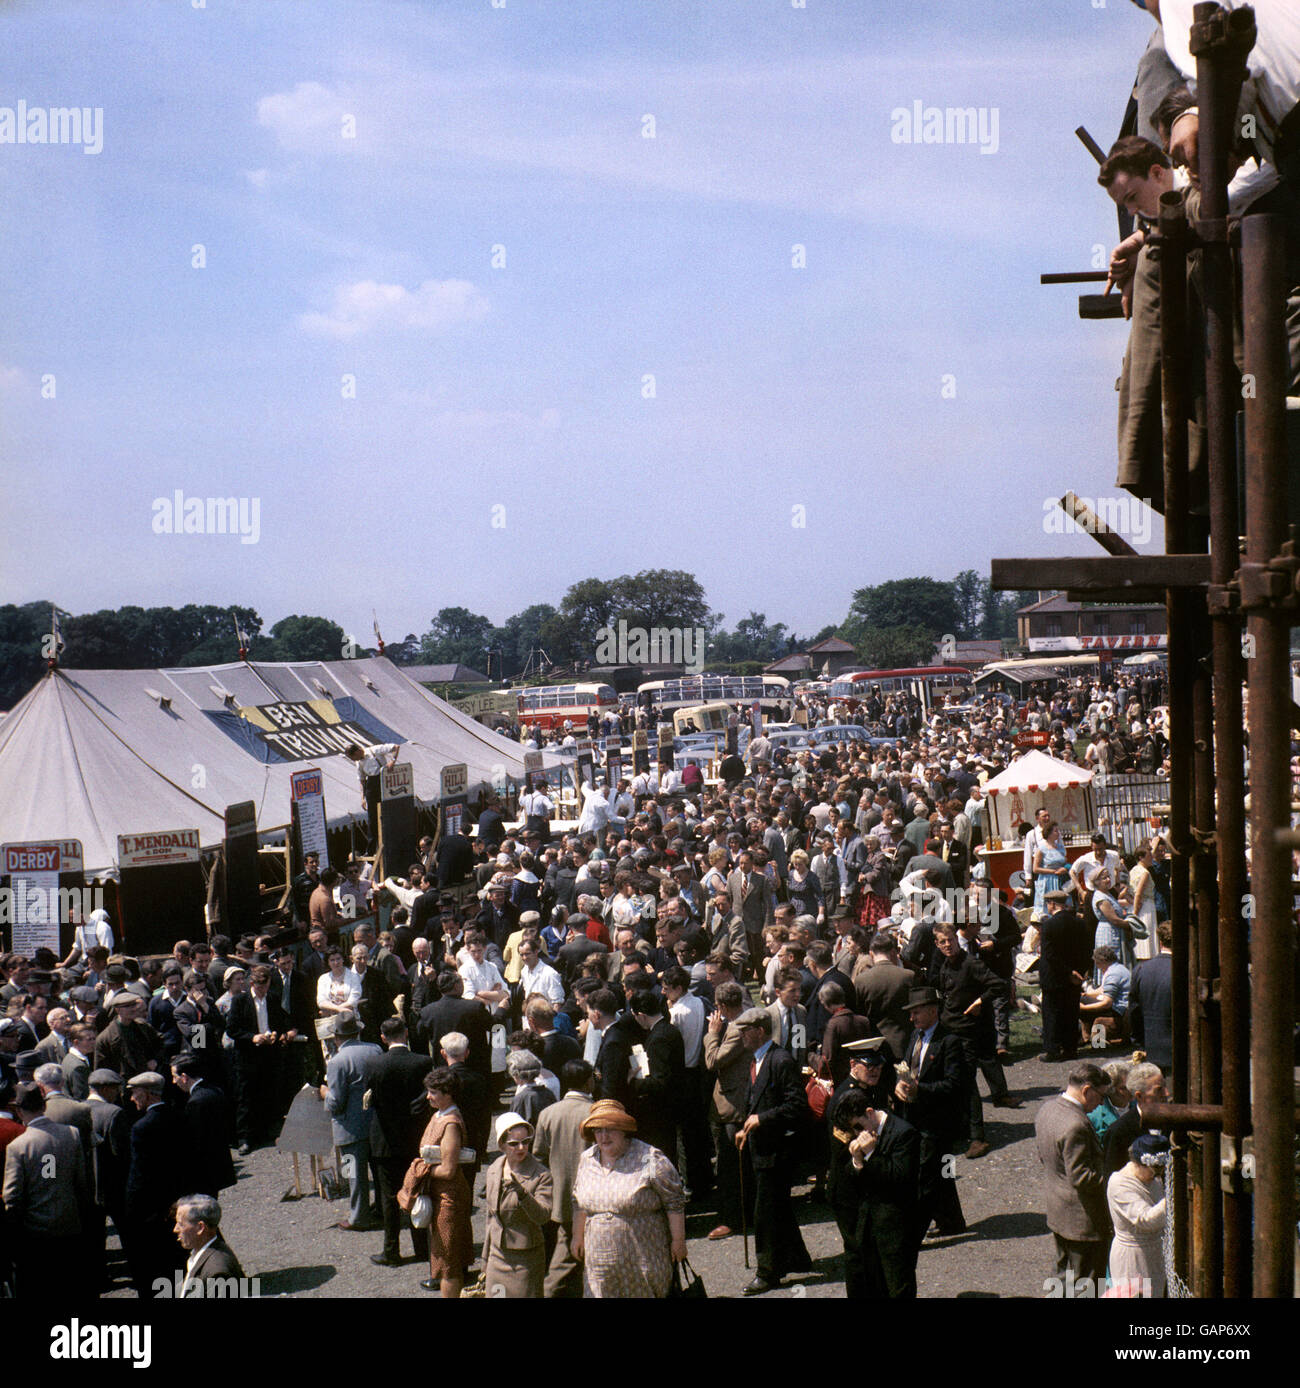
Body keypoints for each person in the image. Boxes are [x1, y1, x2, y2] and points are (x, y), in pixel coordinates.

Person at [572, 1099, 687, 1298]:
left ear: (623, 1129)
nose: (603, 1136)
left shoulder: (648, 1158)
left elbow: (674, 1201)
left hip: (643, 1258)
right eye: (598, 1130)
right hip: (599, 1263)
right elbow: (578, 1202)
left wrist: (678, 1241)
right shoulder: (587, 1159)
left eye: (610, 1129)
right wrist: (577, 1236)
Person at [735, 1006, 811, 1295]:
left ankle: (768, 1272)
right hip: (761, 1146)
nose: (741, 1036)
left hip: (778, 1149)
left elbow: (797, 1106)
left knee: (765, 1213)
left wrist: (762, 1119)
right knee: (777, 1206)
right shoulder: (755, 1060)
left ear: (760, 1031)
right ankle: (797, 1258)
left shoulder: (781, 1060)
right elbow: (756, 1102)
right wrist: (746, 1126)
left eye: (745, 1031)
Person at [826, 1068, 919, 1299]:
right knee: (870, 1284)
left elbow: (899, 1178)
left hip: (896, 1224)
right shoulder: (861, 1135)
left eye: (858, 1126)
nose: (858, 1133)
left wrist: (870, 1155)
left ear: (869, 1112)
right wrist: (857, 1161)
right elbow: (852, 1176)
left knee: (897, 1285)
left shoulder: (903, 1133)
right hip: (867, 1222)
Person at [2, 1081, 91, 1297]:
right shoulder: (72, 1134)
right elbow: (82, 1182)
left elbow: (12, 1198)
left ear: (19, 1110)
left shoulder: (18, 1146)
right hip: (69, 1225)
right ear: (44, 1106)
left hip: (35, 1234)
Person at [894, 986, 968, 1242]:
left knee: (924, 1175)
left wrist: (920, 1089)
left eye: (916, 1012)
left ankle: (915, 1227)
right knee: (942, 1173)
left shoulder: (950, 1041)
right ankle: (952, 1221)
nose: (911, 1018)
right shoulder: (915, 1036)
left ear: (932, 1011)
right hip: (913, 1116)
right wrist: (899, 1084)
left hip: (937, 1120)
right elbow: (905, 1068)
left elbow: (955, 1084)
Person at [1035, 1062, 1112, 1288]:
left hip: (1058, 1210)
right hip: (1082, 1219)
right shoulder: (1076, 1124)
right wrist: (1115, 1179)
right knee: (1086, 1283)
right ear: (1087, 1090)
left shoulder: (1047, 1109)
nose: (1101, 1104)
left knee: (1062, 1277)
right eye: (1101, 1097)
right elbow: (1082, 1177)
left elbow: (1044, 1156)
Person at [366, 1017, 433, 1268]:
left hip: (384, 1139)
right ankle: (422, 1248)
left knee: (388, 1196)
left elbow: (370, 1097)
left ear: (383, 1037)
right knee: (416, 1190)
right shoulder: (423, 1062)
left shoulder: (375, 1063)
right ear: (406, 1033)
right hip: (414, 1137)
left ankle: (391, 1251)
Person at [123, 1070, 192, 1297]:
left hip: (153, 1207)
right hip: (181, 1198)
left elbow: (139, 1175)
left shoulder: (141, 1128)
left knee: (157, 1265)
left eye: (135, 1093)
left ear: (148, 1095)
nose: (132, 1098)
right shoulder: (181, 1116)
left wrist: (131, 1210)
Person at [533, 1059, 595, 1298]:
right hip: (594, 1195)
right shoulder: (596, 1111)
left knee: (567, 1249)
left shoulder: (548, 1114)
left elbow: (539, 1156)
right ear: (589, 1081)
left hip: (562, 1196)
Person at [411, 1067, 474, 1297]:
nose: (428, 1096)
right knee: (442, 1256)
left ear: (448, 1093)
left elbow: (448, 1169)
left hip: (450, 1197)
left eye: (433, 1092)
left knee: (448, 1262)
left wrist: (421, 1170)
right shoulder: (438, 1115)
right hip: (438, 1194)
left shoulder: (451, 1124)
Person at [482, 1113, 554, 1298]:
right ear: (501, 1145)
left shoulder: (542, 1174)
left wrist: (522, 1194)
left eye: (526, 1141)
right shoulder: (494, 1168)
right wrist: (485, 1260)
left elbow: (543, 1215)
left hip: (526, 1259)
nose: (521, 1148)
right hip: (497, 1257)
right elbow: (491, 1217)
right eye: (514, 1143)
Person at [323, 1015, 382, 1232]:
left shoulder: (337, 1062)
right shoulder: (375, 1049)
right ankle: (383, 1209)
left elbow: (336, 1102)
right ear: (357, 1032)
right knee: (378, 1170)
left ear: (336, 1037)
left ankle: (358, 1217)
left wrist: (325, 1093)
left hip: (348, 1129)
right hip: (375, 1122)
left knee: (353, 1174)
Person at [1106, 1133, 1169, 1298]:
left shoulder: (1151, 1179)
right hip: (1132, 1255)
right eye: (1154, 1170)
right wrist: (1172, 1199)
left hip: (1154, 1251)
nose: (1157, 1175)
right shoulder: (1119, 1183)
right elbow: (1145, 1219)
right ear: (1138, 1163)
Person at [1037, 890, 1094, 1062]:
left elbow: (1050, 955)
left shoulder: (1048, 925)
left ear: (1052, 904)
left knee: (1051, 1013)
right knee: (1070, 1012)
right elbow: (1087, 950)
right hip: (1075, 977)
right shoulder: (1080, 923)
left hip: (1054, 976)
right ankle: (1070, 1048)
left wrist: (1067, 972)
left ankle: (1052, 1049)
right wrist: (1079, 972)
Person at [170, 1053, 236, 1198]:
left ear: (184, 1077)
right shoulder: (215, 1090)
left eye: (175, 1077)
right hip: (218, 1162)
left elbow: (195, 1140)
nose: (174, 1082)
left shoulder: (196, 1102)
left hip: (204, 1170)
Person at [175, 1194, 246, 1295]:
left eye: (181, 1224)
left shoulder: (217, 1272)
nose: (175, 1229)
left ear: (200, 1228)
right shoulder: (208, 1251)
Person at [1129, 921, 1173, 1072]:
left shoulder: (1141, 969)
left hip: (1151, 1046)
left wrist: (1139, 1044)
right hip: (1182, 1048)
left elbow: (1134, 1011)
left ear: (1160, 942)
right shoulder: (1187, 969)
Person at [1032, 821, 1069, 914]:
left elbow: (1065, 862)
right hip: (1047, 880)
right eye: (1056, 831)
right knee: (1048, 907)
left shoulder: (1060, 847)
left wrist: (1065, 868)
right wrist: (1053, 872)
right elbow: (1035, 869)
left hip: (1061, 879)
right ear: (1049, 833)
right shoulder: (1041, 849)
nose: (1058, 833)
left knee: (1061, 905)